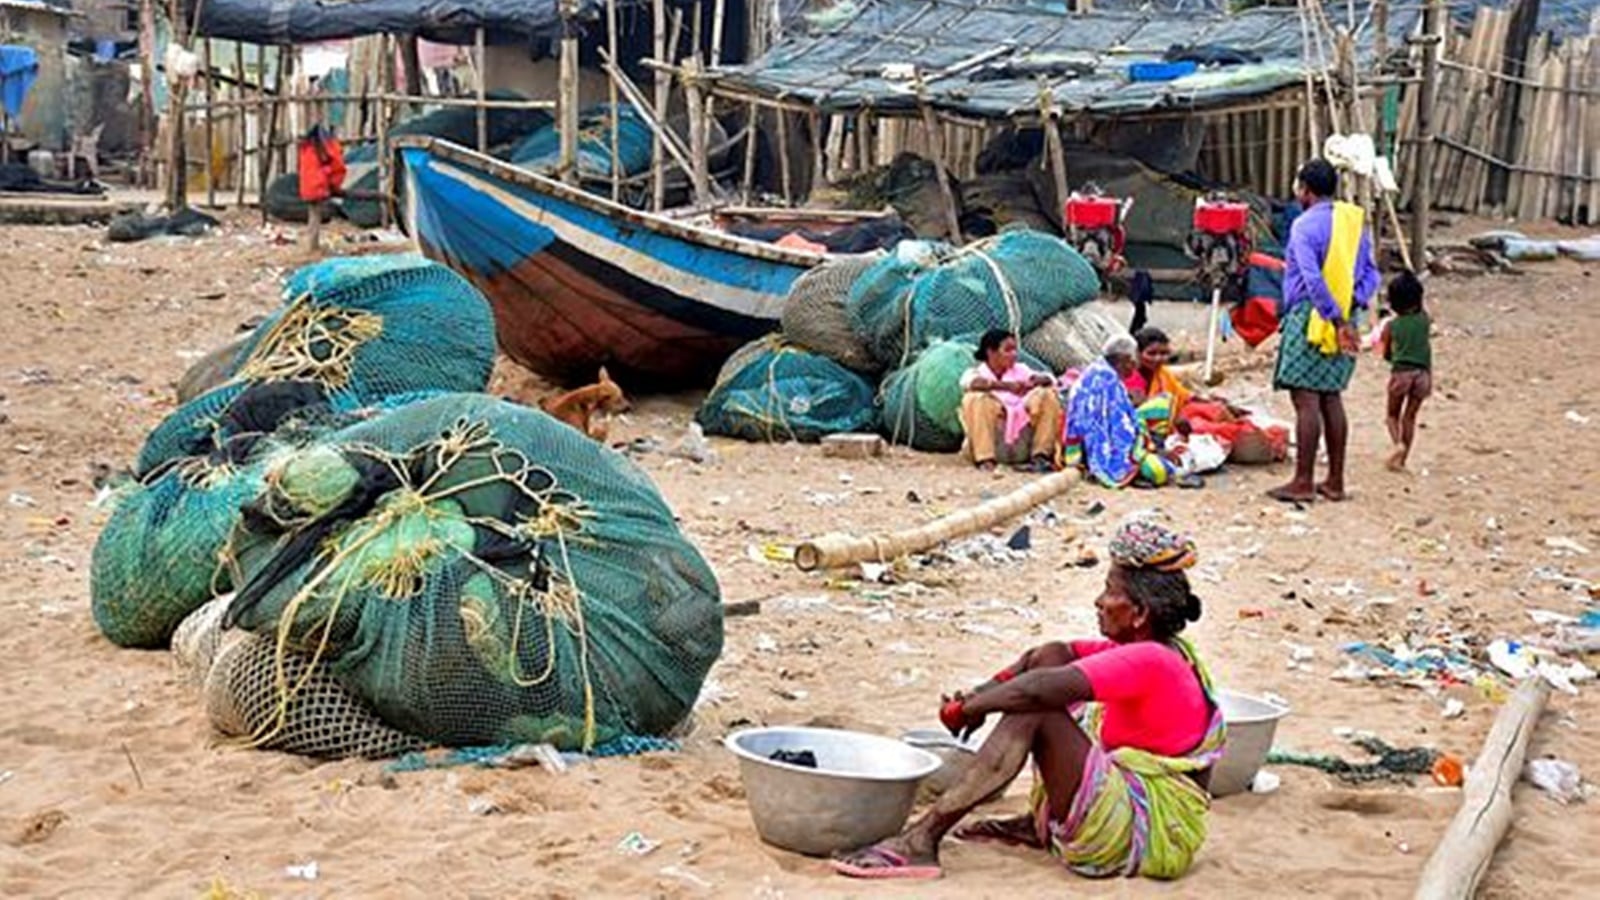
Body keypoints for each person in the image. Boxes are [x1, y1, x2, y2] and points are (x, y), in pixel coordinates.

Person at [831, 517, 1225, 882]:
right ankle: (1042, 823)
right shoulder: (1153, 649)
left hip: (1146, 832)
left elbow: (1036, 690)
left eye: (1109, 592)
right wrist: (981, 692)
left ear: (1138, 613)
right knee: (1049, 669)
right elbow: (1046, 655)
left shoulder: (1153, 660)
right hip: (1130, 805)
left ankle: (921, 840)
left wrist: (968, 710)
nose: (1098, 602)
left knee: (1037, 709)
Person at [1269, 158, 1380, 503]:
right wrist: (1350, 307)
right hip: (1348, 314)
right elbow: (1371, 274)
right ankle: (1335, 480)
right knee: (1331, 396)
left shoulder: (1304, 226)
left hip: (1313, 317)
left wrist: (1333, 316)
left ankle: (1303, 480)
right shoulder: (1353, 223)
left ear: (1305, 190)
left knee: (1306, 399)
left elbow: (1311, 277)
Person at [1064, 334, 1178, 487]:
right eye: (1133, 360)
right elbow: (1121, 430)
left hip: (1082, 446)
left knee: (1161, 403)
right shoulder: (1109, 381)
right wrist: (1144, 447)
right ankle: (1138, 468)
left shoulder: (1096, 372)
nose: (1135, 365)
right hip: (1102, 451)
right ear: (1124, 360)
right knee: (1159, 470)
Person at [958, 329, 1063, 472]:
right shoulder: (976, 373)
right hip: (996, 441)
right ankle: (986, 460)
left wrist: (1034, 382)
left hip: (1023, 441)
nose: (1014, 354)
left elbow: (1050, 379)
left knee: (1047, 394)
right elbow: (969, 382)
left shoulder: (1022, 370)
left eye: (1015, 350)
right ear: (991, 352)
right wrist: (1007, 387)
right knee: (975, 398)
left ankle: (1040, 456)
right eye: (1008, 350)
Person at [1378, 271, 1431, 472]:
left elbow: (1387, 354)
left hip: (1401, 373)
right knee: (1410, 417)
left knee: (1392, 415)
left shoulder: (1392, 326)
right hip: (1423, 375)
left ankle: (1397, 445)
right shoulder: (1424, 320)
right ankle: (1403, 459)